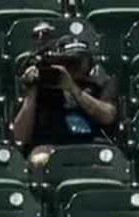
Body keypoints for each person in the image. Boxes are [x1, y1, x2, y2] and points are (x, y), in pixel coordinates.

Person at [11, 36, 120, 171]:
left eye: (79, 62)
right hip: (52, 146)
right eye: (69, 62)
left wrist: (73, 89)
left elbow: (107, 116)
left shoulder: (101, 84)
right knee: (39, 159)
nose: (75, 68)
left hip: (92, 144)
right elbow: (20, 136)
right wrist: (31, 92)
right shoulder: (44, 85)